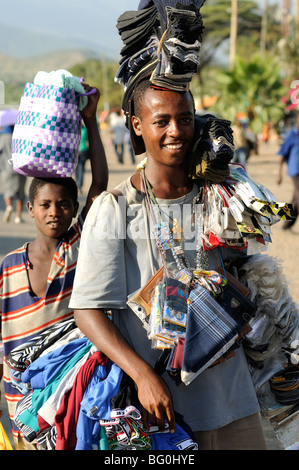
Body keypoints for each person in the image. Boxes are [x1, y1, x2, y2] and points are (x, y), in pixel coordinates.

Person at [69, 79, 268, 450]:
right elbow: (87, 311)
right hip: (163, 413)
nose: (176, 131)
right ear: (137, 125)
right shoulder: (115, 209)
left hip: (234, 400)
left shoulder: (220, 197)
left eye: (185, 119)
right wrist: (143, 376)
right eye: (161, 121)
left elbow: (239, 271)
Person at [0, 84, 108, 450]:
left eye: (64, 205)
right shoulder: (8, 268)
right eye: (45, 204)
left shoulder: (76, 248)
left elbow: (100, 185)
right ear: (30, 208)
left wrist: (90, 121)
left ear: (74, 209)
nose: (54, 212)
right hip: (20, 400)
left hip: (67, 390)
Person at [0, 125, 27, 224]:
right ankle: (18, 216)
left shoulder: (3, 138)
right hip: (20, 167)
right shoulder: (22, 137)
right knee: (21, 193)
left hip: (6, 168)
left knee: (8, 190)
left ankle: (9, 206)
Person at [277, 113, 299, 230]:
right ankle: (287, 222)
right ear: (297, 121)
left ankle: (286, 222)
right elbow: (282, 155)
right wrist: (279, 174)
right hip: (296, 170)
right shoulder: (292, 135)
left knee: (296, 199)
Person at [75, 121, 90, 194]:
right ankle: (79, 186)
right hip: (83, 150)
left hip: (76, 151)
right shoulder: (86, 130)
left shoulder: (75, 130)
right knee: (81, 168)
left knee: (77, 169)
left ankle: (77, 185)